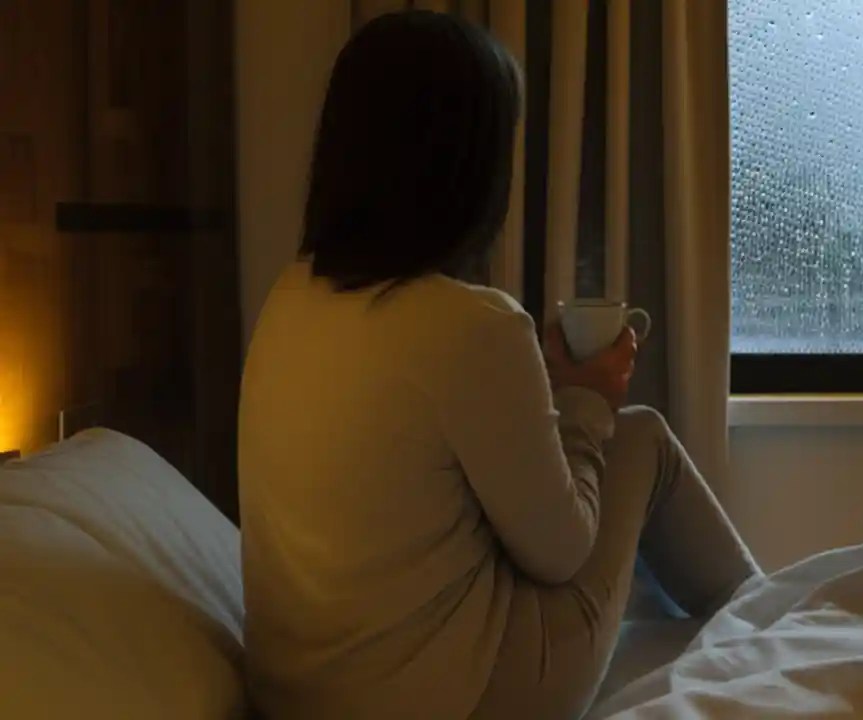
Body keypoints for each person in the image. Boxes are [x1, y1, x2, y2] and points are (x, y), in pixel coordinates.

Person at [237, 10, 760, 719]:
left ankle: (758, 624)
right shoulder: (474, 325)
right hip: (465, 700)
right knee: (642, 441)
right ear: (470, 168)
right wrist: (588, 405)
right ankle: (772, 630)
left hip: (302, 694)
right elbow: (564, 551)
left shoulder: (289, 301)